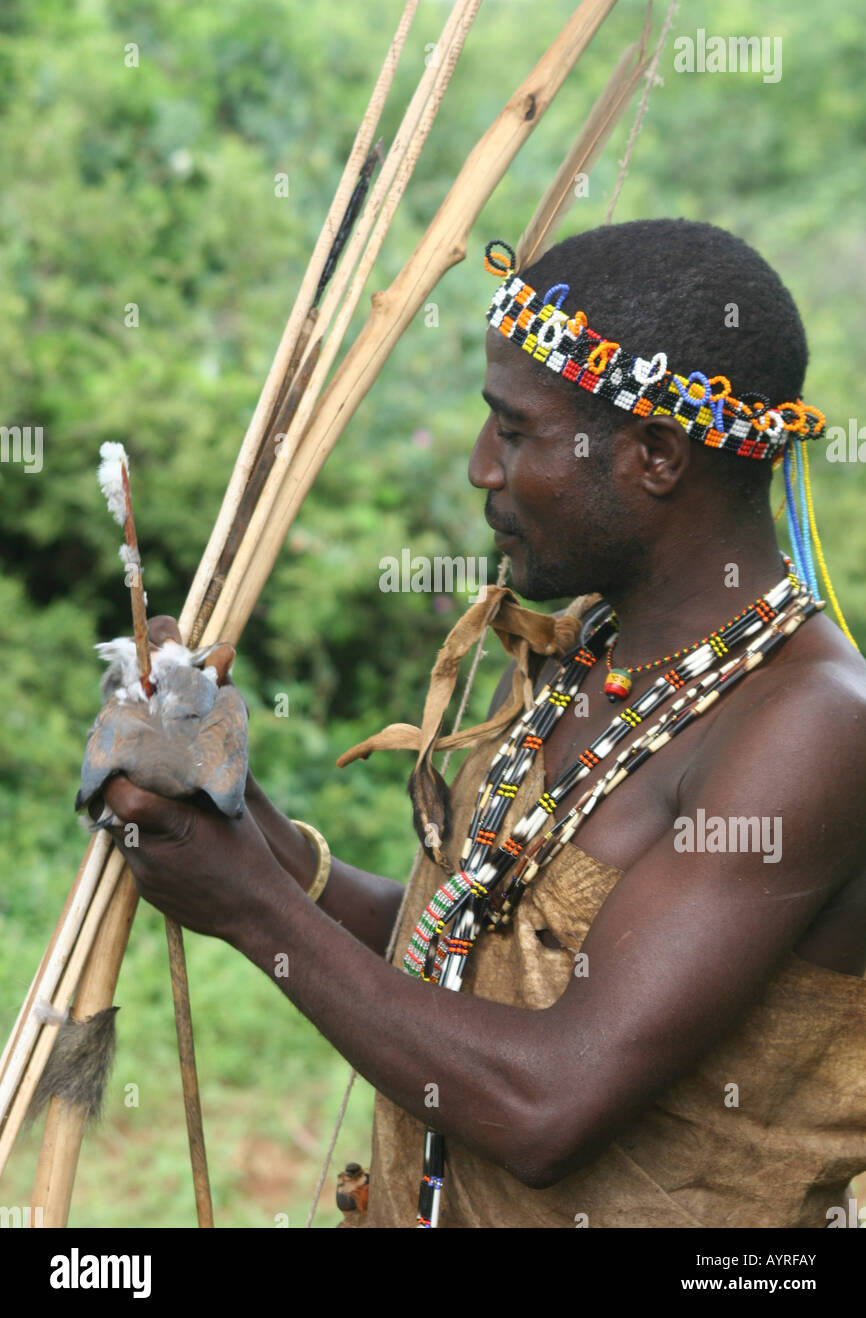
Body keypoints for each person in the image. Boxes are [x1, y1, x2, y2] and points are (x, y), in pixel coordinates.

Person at [93, 219, 866, 1228]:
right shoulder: (582, 648)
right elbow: (457, 954)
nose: (478, 469)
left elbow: (548, 1100)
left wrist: (250, 908)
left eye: (512, 430)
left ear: (656, 455)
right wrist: (242, 831)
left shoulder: (811, 730)